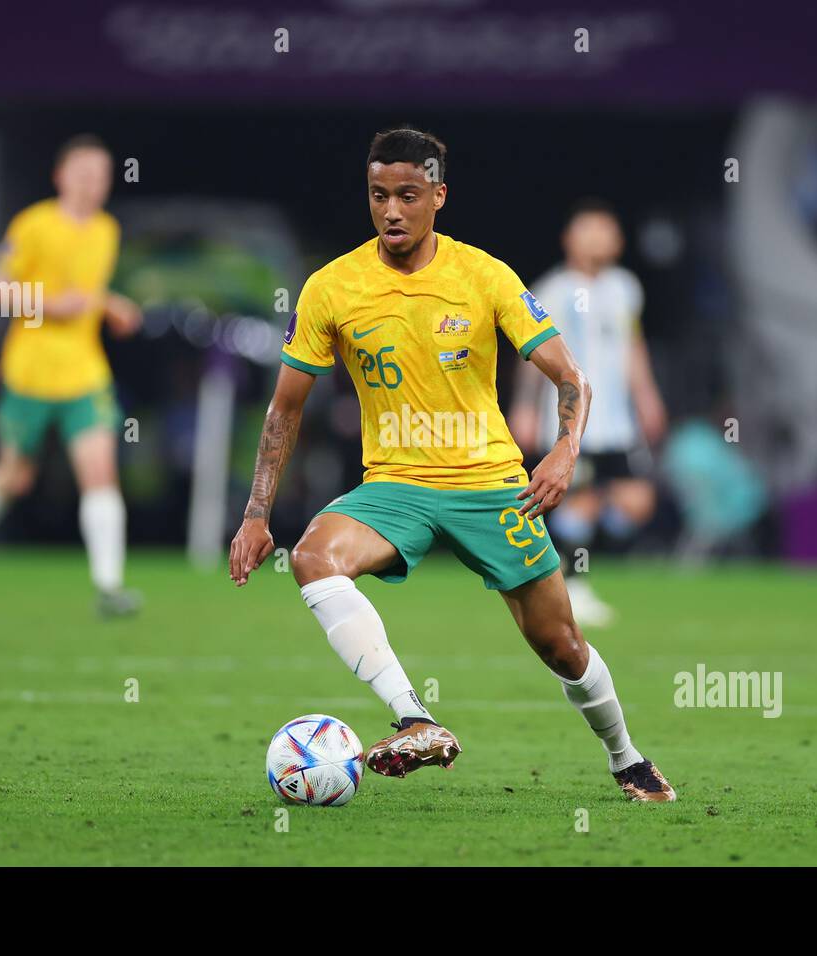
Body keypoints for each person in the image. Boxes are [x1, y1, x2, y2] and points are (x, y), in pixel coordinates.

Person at [228, 129, 675, 802]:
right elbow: (283, 411)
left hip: (490, 485)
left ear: (438, 196)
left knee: (561, 645)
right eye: (379, 196)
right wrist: (257, 513)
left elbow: (570, 379)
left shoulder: (484, 276)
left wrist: (563, 449)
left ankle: (627, 758)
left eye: (408, 195)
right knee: (314, 557)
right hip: (395, 487)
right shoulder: (332, 288)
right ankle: (415, 718)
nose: (392, 211)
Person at [0, 135, 143, 616]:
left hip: (85, 375)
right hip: (29, 373)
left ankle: (109, 587)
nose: (93, 185)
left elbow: (86, 292)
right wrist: (51, 306)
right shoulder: (32, 225)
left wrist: (111, 304)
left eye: (101, 176)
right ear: (60, 177)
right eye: (83, 174)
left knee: (99, 474)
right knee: (16, 477)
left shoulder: (106, 230)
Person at [508, 199, 668, 626]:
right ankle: (574, 585)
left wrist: (647, 396)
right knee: (581, 502)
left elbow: (633, 347)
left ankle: (571, 568)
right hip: (569, 418)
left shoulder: (625, 287)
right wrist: (523, 407)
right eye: (588, 229)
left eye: (605, 229)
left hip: (617, 420)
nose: (598, 237)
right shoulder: (551, 290)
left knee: (636, 501)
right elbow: (530, 355)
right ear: (569, 240)